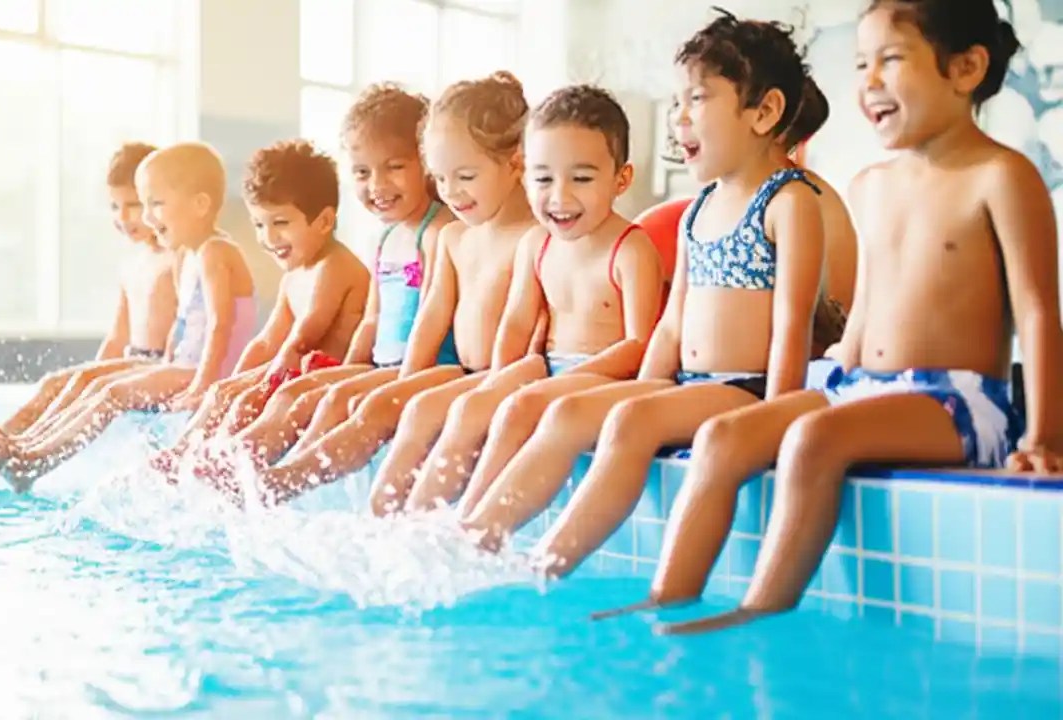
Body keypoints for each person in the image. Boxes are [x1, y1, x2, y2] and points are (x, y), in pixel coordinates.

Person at [632, 0, 1063, 634]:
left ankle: (760, 607)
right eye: (862, 63)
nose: (868, 81)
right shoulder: (870, 183)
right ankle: (666, 598)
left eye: (891, 60)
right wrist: (830, 376)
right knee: (726, 436)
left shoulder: (1001, 176)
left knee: (813, 441)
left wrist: (1044, 440)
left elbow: (1037, 312)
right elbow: (867, 309)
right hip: (860, 386)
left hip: (957, 403)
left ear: (966, 68)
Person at [463, 11, 828, 575]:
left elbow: (793, 321)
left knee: (630, 425)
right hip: (686, 384)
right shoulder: (698, 210)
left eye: (697, 100)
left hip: (745, 390)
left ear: (765, 112)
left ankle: (546, 565)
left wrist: (775, 420)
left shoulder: (788, 202)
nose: (678, 119)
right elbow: (673, 325)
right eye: (676, 103)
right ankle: (473, 539)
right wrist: (646, 388)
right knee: (571, 413)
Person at [231, 71, 539, 508]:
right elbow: (422, 314)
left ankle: (292, 483)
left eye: (395, 167)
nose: (450, 191)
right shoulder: (450, 237)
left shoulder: (472, 234)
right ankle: (257, 469)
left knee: (382, 407)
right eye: (444, 177)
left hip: (470, 375)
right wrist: (371, 373)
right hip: (418, 371)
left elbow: (523, 327)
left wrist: (404, 383)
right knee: (325, 394)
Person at [389, 84, 666, 514]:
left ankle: (475, 517)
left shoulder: (631, 249)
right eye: (543, 179)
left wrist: (554, 379)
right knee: (470, 406)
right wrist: (497, 379)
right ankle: (416, 518)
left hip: (604, 376)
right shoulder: (539, 244)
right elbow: (517, 325)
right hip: (546, 369)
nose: (559, 197)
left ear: (621, 179)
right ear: (524, 171)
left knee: (519, 408)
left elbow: (642, 345)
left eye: (582, 178)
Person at [190, 83, 457, 477]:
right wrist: (344, 374)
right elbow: (371, 322)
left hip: (424, 371)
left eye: (395, 167)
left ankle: (272, 476)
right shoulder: (383, 238)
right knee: (302, 394)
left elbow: (434, 318)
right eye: (363, 172)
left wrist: (389, 380)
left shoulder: (438, 233)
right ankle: (220, 463)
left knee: (314, 400)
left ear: (428, 162)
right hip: (381, 367)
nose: (378, 185)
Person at [0, 141, 259, 490]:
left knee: (112, 393)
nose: (148, 217)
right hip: (182, 366)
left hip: (203, 373)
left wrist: (202, 386)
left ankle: (33, 460)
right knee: (97, 385)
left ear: (199, 205)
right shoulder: (190, 255)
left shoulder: (215, 252)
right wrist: (166, 360)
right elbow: (182, 326)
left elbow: (220, 324)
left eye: (155, 204)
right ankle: (24, 447)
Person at [0, 142, 178, 479]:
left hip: (157, 366)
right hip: (131, 361)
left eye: (134, 205)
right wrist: (88, 378)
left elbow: (189, 330)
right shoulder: (133, 265)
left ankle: (21, 452)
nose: (122, 218)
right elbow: (117, 336)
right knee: (56, 383)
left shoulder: (176, 259)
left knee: (78, 382)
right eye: (114, 206)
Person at [152, 138, 372, 481]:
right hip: (298, 368)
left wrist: (260, 382)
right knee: (225, 392)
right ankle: (183, 452)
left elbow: (306, 334)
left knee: (258, 399)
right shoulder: (294, 276)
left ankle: (229, 465)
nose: (269, 237)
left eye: (281, 223)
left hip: (328, 374)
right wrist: (235, 379)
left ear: (325, 221)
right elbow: (268, 341)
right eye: (259, 225)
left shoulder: (336, 267)